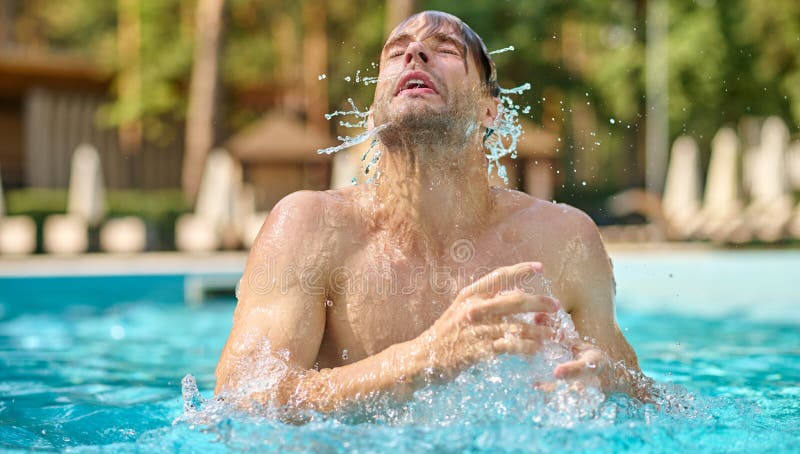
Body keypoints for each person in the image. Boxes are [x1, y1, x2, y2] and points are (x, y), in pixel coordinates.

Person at [214, 10, 649, 411]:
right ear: (373, 114)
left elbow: (651, 401)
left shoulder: (563, 239)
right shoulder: (308, 228)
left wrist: (612, 382)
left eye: (445, 51)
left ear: (488, 108)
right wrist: (424, 357)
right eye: (395, 52)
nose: (414, 53)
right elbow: (240, 400)